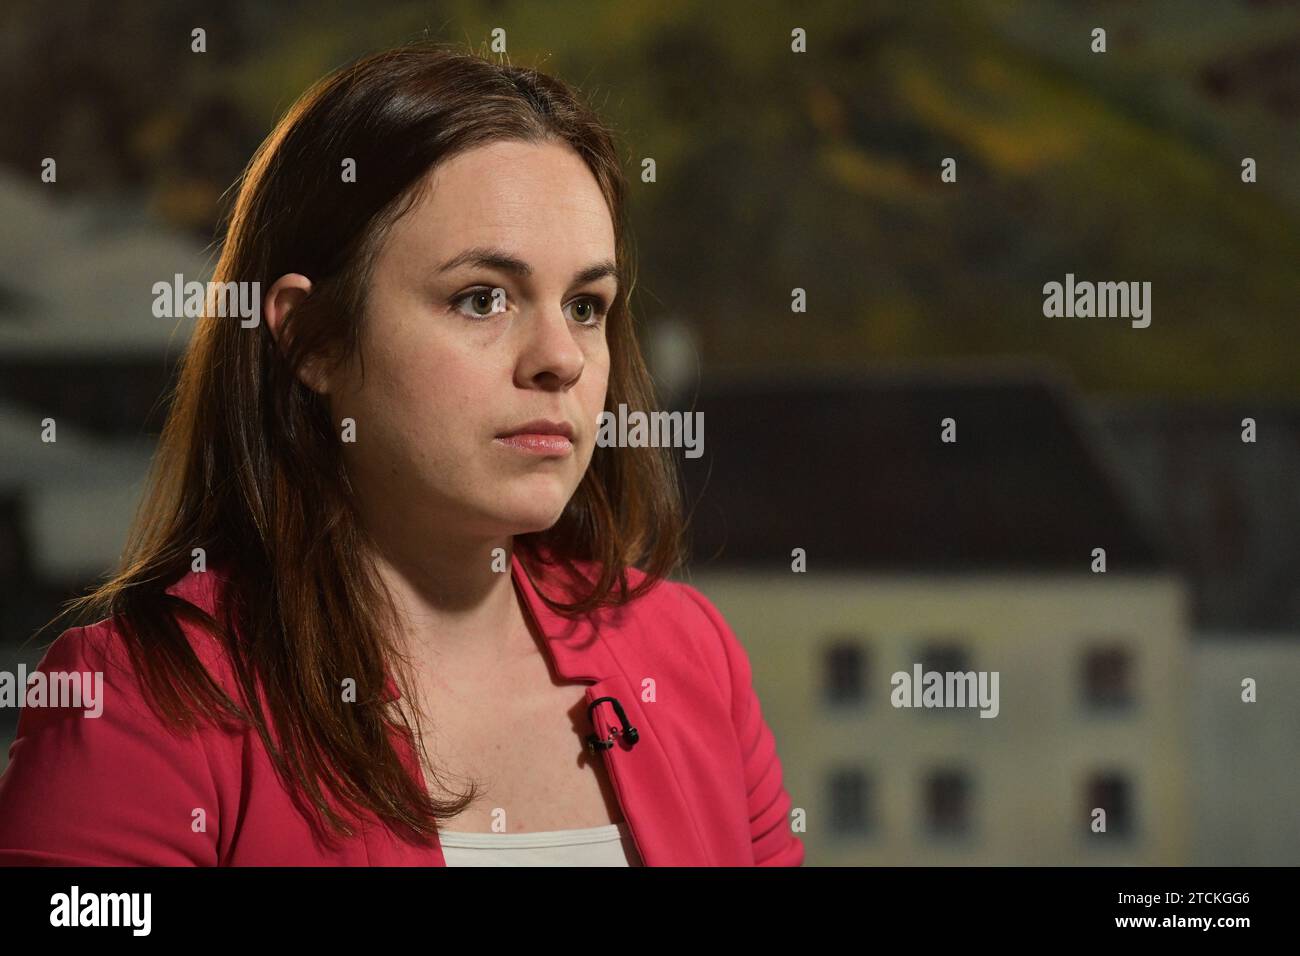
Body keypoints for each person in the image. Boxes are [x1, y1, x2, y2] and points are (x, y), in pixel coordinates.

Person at [0, 43, 803, 867]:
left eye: (586, 305)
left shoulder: (689, 655)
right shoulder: (138, 699)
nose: (560, 357)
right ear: (312, 339)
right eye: (481, 297)